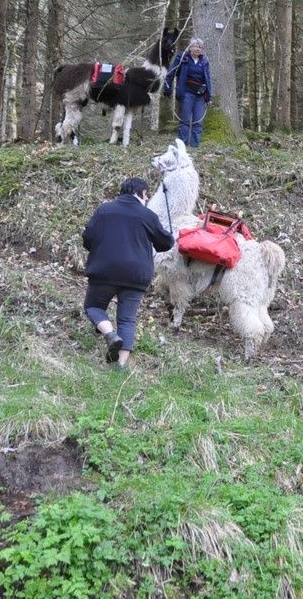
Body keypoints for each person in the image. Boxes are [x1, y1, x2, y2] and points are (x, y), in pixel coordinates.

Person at [82, 177, 174, 369]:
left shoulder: (104, 210)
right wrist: (170, 236)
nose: (147, 198)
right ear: (141, 193)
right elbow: (165, 243)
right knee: (127, 319)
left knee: (93, 306)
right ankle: (120, 366)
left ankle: (110, 334)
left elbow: (88, 238)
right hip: (136, 275)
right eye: (147, 195)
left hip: (105, 271)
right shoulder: (147, 215)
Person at [163, 37, 213, 148]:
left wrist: (208, 96)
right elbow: (171, 73)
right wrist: (167, 89)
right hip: (186, 93)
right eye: (195, 46)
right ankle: (182, 146)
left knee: (198, 121)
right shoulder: (182, 58)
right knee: (185, 120)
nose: (198, 49)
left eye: (200, 47)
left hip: (200, 95)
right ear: (190, 47)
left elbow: (208, 80)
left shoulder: (204, 61)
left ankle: (195, 146)